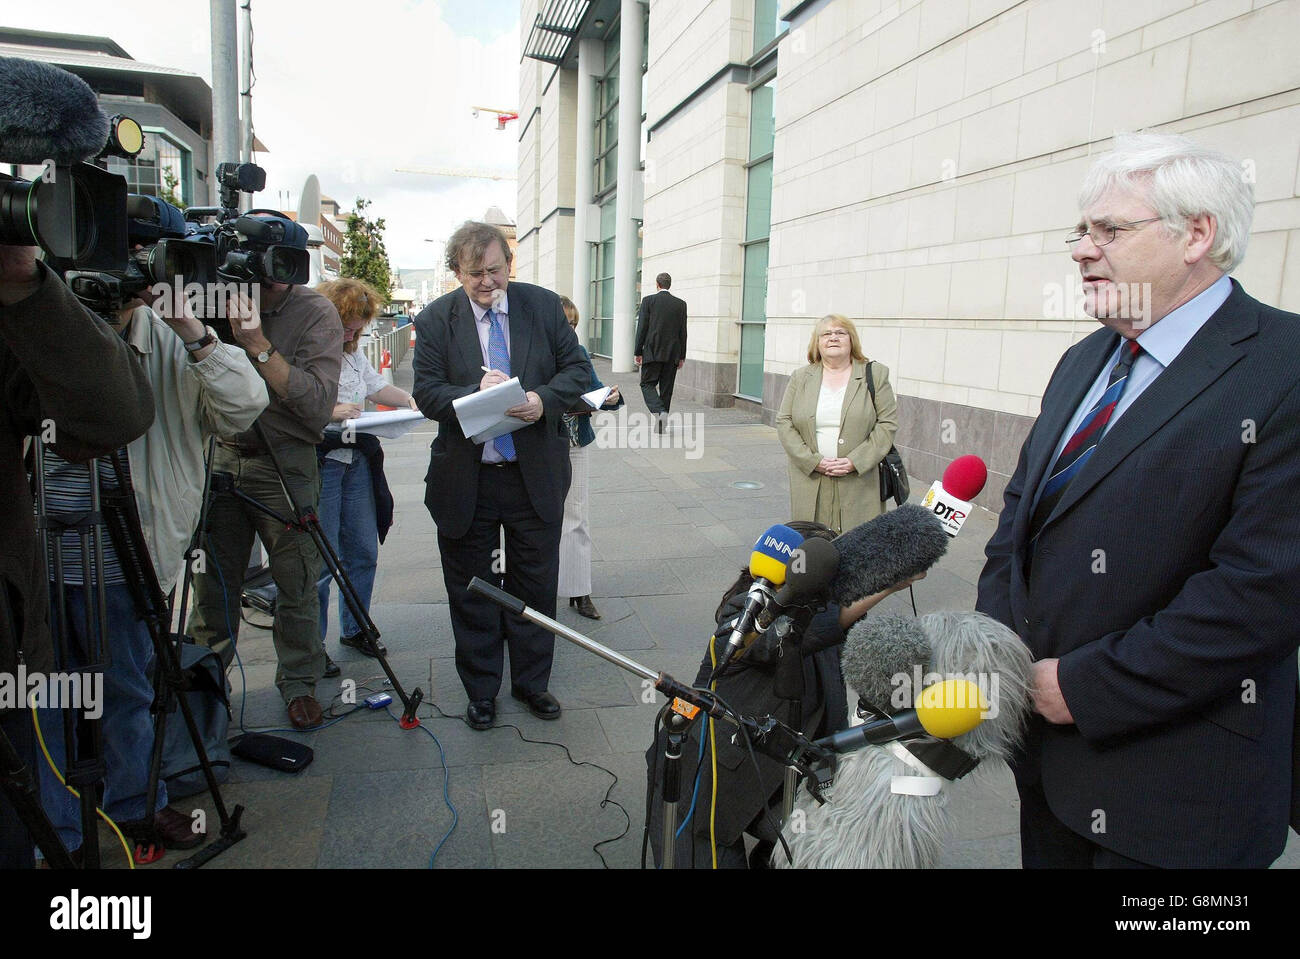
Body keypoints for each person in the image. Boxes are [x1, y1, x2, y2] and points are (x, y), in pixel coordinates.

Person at [976, 131, 1300, 869]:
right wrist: (1001, 652)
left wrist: (1085, 687)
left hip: (1182, 801)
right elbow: (1017, 525)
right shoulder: (1082, 360)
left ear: (1197, 234)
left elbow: (1264, 590)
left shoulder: (1285, 367)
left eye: (1109, 230)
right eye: (1081, 231)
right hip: (1049, 776)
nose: (1082, 250)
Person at [36, 288, 267, 858]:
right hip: (34, 549)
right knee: (39, 700)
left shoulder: (168, 340)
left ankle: (134, 804)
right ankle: (56, 831)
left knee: (126, 689)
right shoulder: (34, 321)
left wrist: (193, 329)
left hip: (128, 549)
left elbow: (243, 406)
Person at [645, 521, 924, 868]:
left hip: (781, 777)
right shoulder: (744, 617)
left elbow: (832, 640)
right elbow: (799, 633)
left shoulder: (822, 626)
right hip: (706, 780)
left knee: (808, 845)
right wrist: (889, 585)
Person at [0, 243, 155, 869]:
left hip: (83, 566)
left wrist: (25, 287)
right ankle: (61, 831)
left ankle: (121, 809)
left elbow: (114, 413)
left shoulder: (30, 309)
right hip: (45, 561)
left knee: (117, 682)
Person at [412, 221, 589, 730]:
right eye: (475, 275)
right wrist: (473, 391)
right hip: (469, 481)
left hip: (532, 475)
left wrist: (542, 400)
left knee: (536, 584)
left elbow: (577, 372)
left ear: (509, 264)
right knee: (474, 588)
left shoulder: (542, 306)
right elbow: (426, 393)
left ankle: (533, 684)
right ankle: (482, 689)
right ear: (456, 273)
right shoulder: (435, 318)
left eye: (495, 271)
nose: (487, 283)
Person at [189, 250, 343, 731]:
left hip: (286, 461)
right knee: (213, 583)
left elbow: (317, 406)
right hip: (221, 454)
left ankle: (299, 684)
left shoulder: (314, 311)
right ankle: (205, 688)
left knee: (296, 579)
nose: (269, 285)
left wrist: (257, 343)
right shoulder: (209, 296)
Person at [313, 278, 417, 678]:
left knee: (362, 550)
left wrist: (411, 400)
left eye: (359, 325)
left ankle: (355, 627)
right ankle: (312, 645)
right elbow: (289, 399)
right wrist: (331, 410)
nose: (354, 333)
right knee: (320, 560)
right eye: (348, 324)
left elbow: (375, 388)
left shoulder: (353, 355)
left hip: (354, 459)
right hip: (320, 461)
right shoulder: (308, 351)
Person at [775, 314, 898, 534]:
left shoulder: (875, 374)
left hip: (860, 480)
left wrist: (854, 461)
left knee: (860, 545)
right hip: (811, 478)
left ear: (852, 340)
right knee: (814, 544)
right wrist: (812, 461)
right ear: (817, 343)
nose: (833, 338)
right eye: (826, 334)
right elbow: (784, 421)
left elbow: (887, 423)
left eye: (840, 333)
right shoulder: (801, 377)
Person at [556, 295, 623, 620]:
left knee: (576, 516)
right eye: (564, 324)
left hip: (575, 443)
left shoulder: (579, 354)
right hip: (541, 446)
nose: (569, 330)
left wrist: (611, 397)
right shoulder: (535, 354)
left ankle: (579, 590)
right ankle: (536, 587)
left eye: (573, 325)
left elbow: (596, 390)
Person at [634, 272, 688, 432]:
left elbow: (642, 328)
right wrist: (682, 356)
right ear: (669, 285)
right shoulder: (680, 304)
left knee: (646, 384)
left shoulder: (648, 301)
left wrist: (638, 351)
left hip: (652, 352)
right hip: (672, 353)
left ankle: (660, 412)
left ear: (657, 284)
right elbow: (683, 332)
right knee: (666, 390)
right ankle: (660, 427)